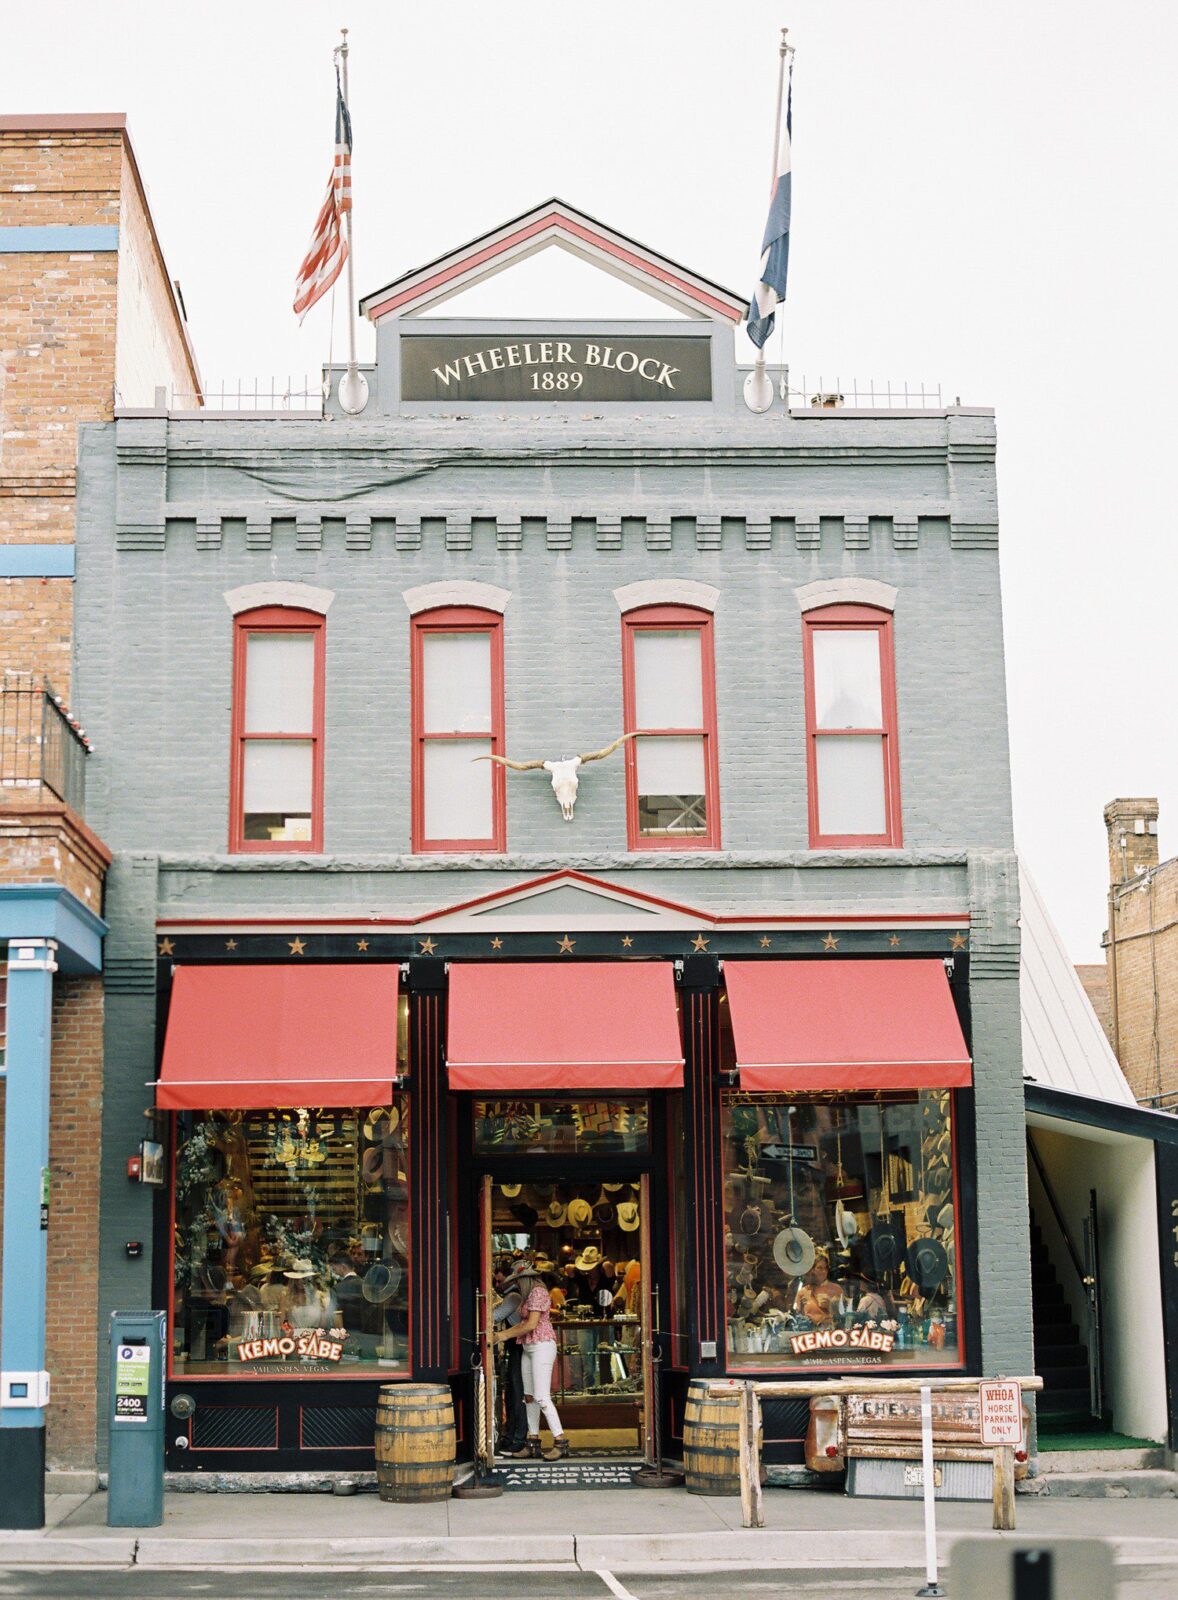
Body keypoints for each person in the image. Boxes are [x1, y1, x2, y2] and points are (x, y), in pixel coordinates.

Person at [491, 1262, 569, 1461]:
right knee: (529, 1396)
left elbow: (532, 1324)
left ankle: (560, 1441)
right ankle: (532, 1441)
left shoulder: (538, 1292)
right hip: (528, 1345)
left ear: (524, 1279)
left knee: (542, 1396)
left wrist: (502, 1335)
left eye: (517, 1280)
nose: (517, 1284)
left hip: (542, 1344)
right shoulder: (527, 1295)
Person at [792, 1251, 845, 1325]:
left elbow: (844, 1316)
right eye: (819, 1268)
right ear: (812, 1270)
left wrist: (830, 1306)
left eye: (825, 1268)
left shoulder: (836, 1289)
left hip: (829, 1333)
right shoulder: (803, 1291)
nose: (823, 1271)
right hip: (809, 1333)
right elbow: (796, 1317)